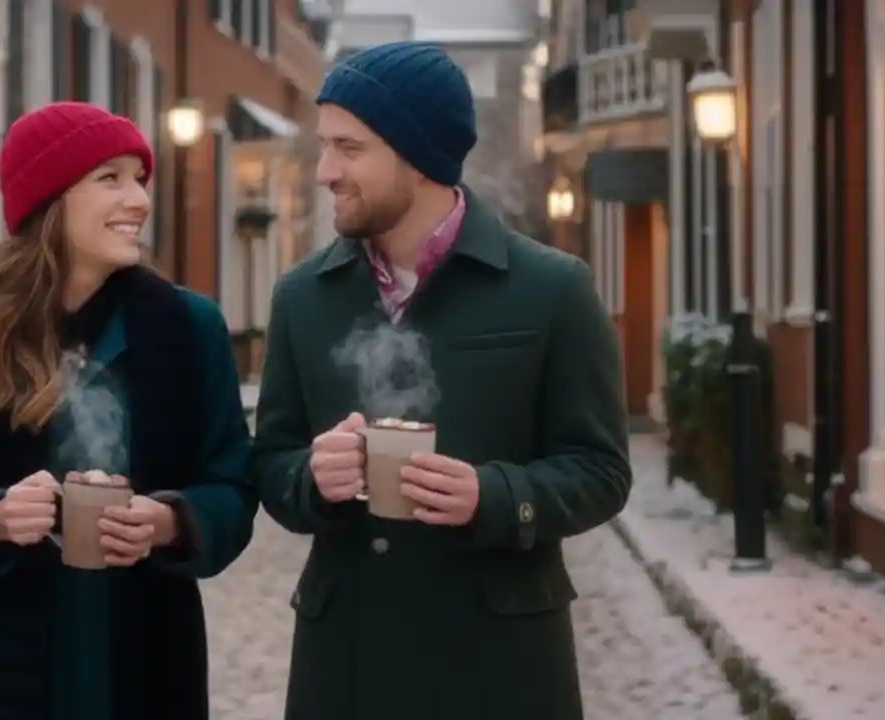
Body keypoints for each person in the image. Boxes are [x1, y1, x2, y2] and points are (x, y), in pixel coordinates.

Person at [250, 41, 632, 720]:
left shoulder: (552, 289)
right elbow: (272, 465)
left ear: (416, 154)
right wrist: (313, 477)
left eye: (348, 147)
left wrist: (494, 495)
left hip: (502, 667)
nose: (324, 171)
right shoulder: (301, 297)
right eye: (324, 146)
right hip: (347, 665)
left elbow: (600, 470)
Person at [0, 101, 256, 720]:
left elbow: (233, 490)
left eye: (140, 179)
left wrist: (171, 522)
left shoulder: (191, 327)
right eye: (111, 179)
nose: (140, 201)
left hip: (152, 669)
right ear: (50, 199)